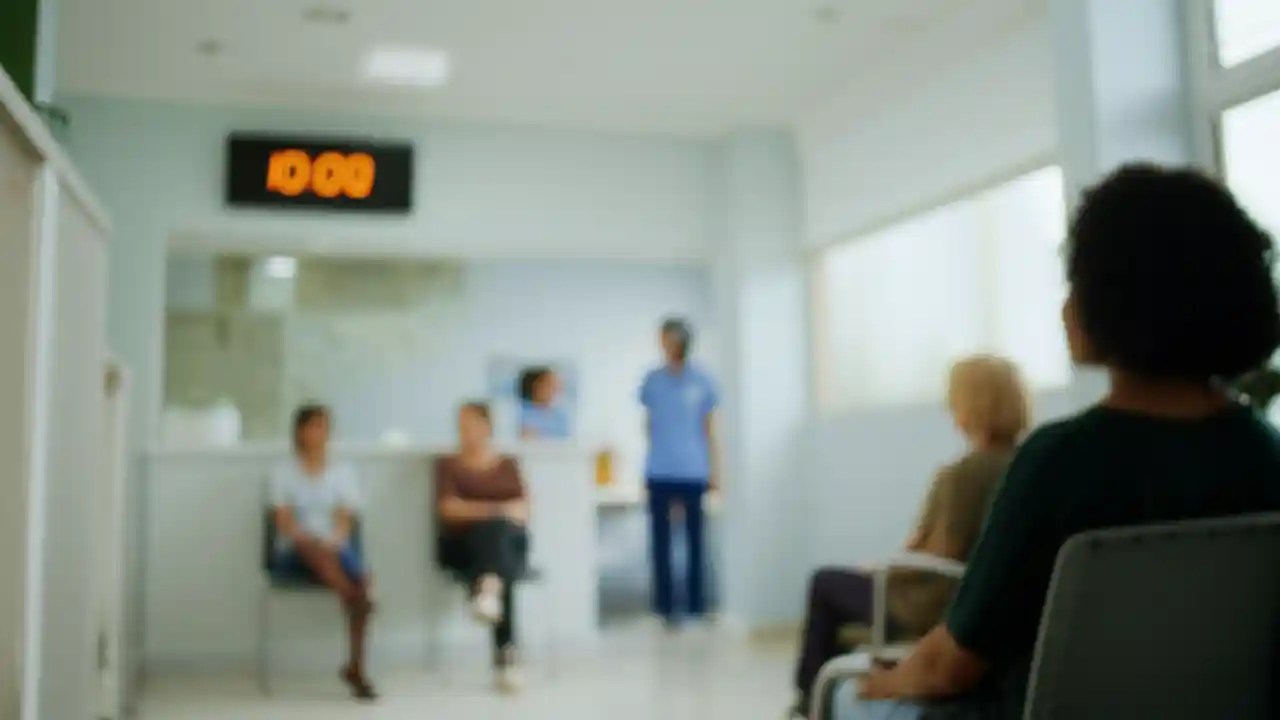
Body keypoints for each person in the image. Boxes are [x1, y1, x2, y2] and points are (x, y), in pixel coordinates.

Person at [843, 164, 1280, 719]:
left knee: (848, 696)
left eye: (1075, 282)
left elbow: (950, 665)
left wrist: (884, 682)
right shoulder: (1263, 454)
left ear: (1108, 299)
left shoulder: (1060, 461)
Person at [791, 356, 1029, 719]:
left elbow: (939, 559)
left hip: (931, 606)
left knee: (826, 584)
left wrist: (888, 566)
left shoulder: (960, 474)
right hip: (989, 608)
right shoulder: (1025, 465)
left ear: (970, 403)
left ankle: (810, 702)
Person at [269, 404, 377, 701]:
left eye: (323, 426)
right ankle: (351, 598)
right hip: (296, 552)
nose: (318, 433)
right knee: (315, 551)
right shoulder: (283, 472)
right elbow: (284, 522)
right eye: (313, 426)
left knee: (361, 577)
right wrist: (309, 539)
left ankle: (357, 668)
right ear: (300, 431)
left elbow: (345, 519)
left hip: (334, 548)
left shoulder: (343, 472)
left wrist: (334, 539)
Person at [435, 401, 531, 693]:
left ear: (487, 426)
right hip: (462, 548)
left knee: (500, 544)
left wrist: (478, 510)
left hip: (509, 544)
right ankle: (507, 661)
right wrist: (497, 510)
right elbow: (449, 509)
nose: (466, 431)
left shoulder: (508, 464)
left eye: (472, 424)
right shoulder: (448, 465)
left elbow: (524, 510)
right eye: (461, 425)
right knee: (501, 563)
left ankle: (487, 590)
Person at [640, 317, 720, 625]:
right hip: (659, 469)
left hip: (693, 470)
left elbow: (709, 428)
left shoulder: (703, 380)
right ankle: (664, 608)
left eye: (667, 338)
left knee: (696, 542)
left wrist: (715, 470)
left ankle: (697, 606)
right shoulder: (653, 380)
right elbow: (649, 425)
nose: (664, 343)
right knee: (660, 543)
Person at [519, 366, 571, 439]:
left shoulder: (560, 416)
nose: (552, 389)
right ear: (535, 385)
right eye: (547, 384)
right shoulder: (521, 410)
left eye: (554, 385)